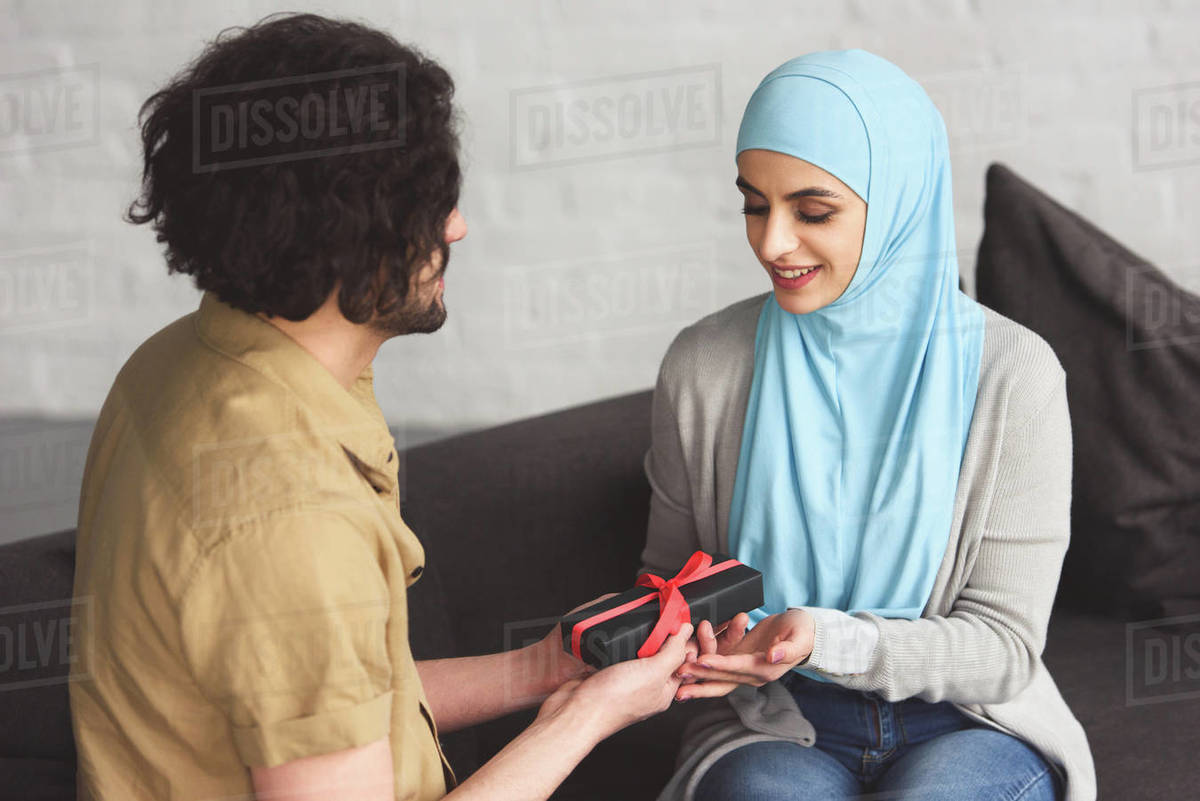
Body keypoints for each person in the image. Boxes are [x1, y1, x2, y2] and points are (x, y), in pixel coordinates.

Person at [69, 13, 695, 801]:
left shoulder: (175, 363)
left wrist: (544, 667)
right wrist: (585, 718)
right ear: (349, 241)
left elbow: (322, 704)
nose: (458, 227)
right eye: (433, 206)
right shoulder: (293, 521)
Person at [639, 50, 1097, 800]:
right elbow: (667, 581)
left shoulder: (1014, 374)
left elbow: (1005, 647)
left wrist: (827, 639)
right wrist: (692, 635)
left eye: (812, 212)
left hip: (969, 722)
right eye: (754, 205)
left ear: (900, 203)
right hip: (773, 720)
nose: (771, 243)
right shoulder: (704, 365)